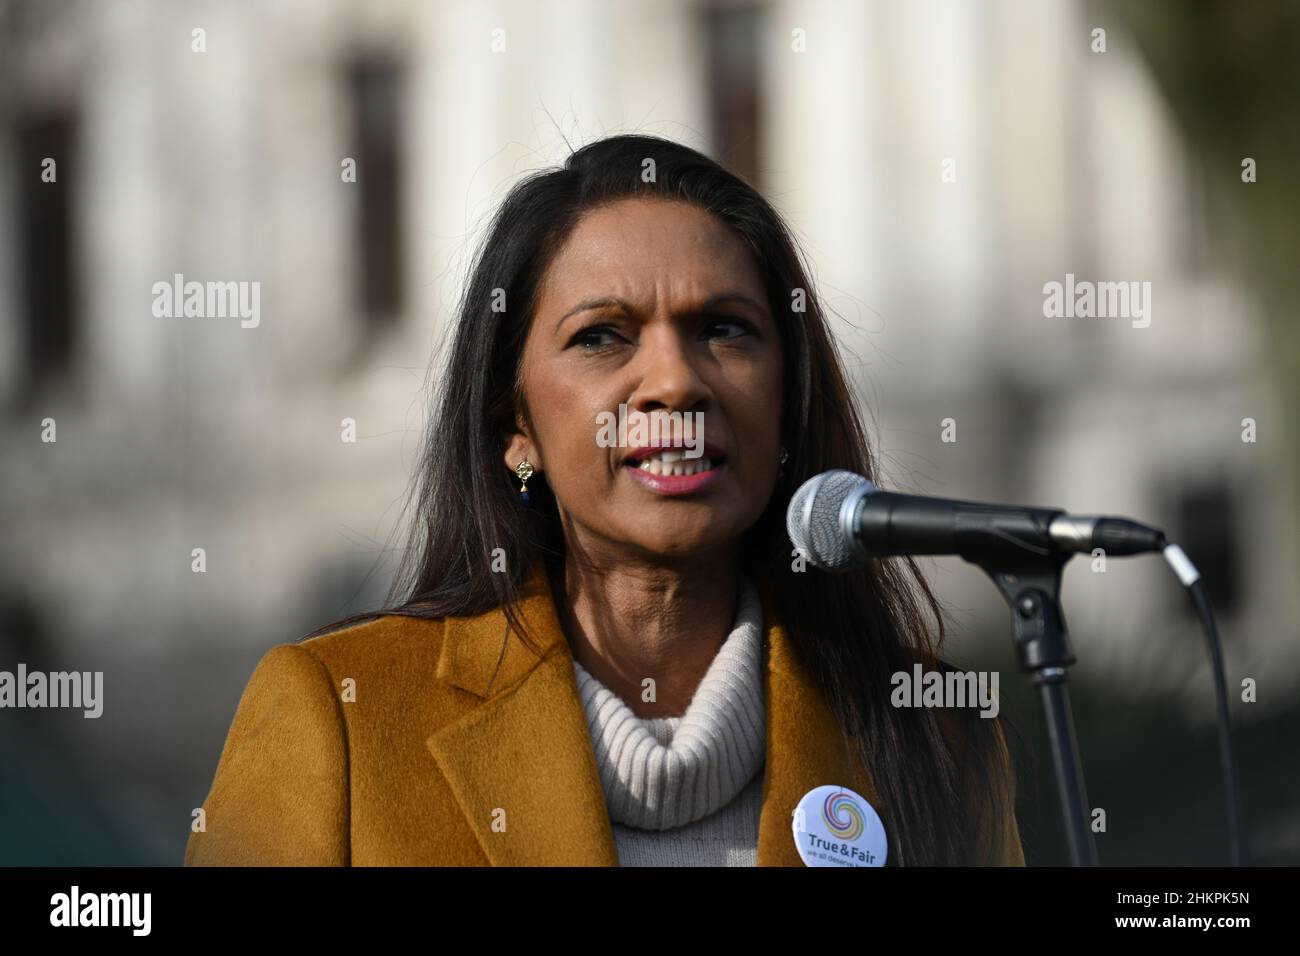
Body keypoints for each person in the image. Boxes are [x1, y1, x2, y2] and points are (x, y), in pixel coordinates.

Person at [184, 134, 1026, 867]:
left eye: (724, 328)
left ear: (789, 399)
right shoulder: (337, 717)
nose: (674, 383)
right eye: (602, 336)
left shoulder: (934, 739)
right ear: (515, 427)